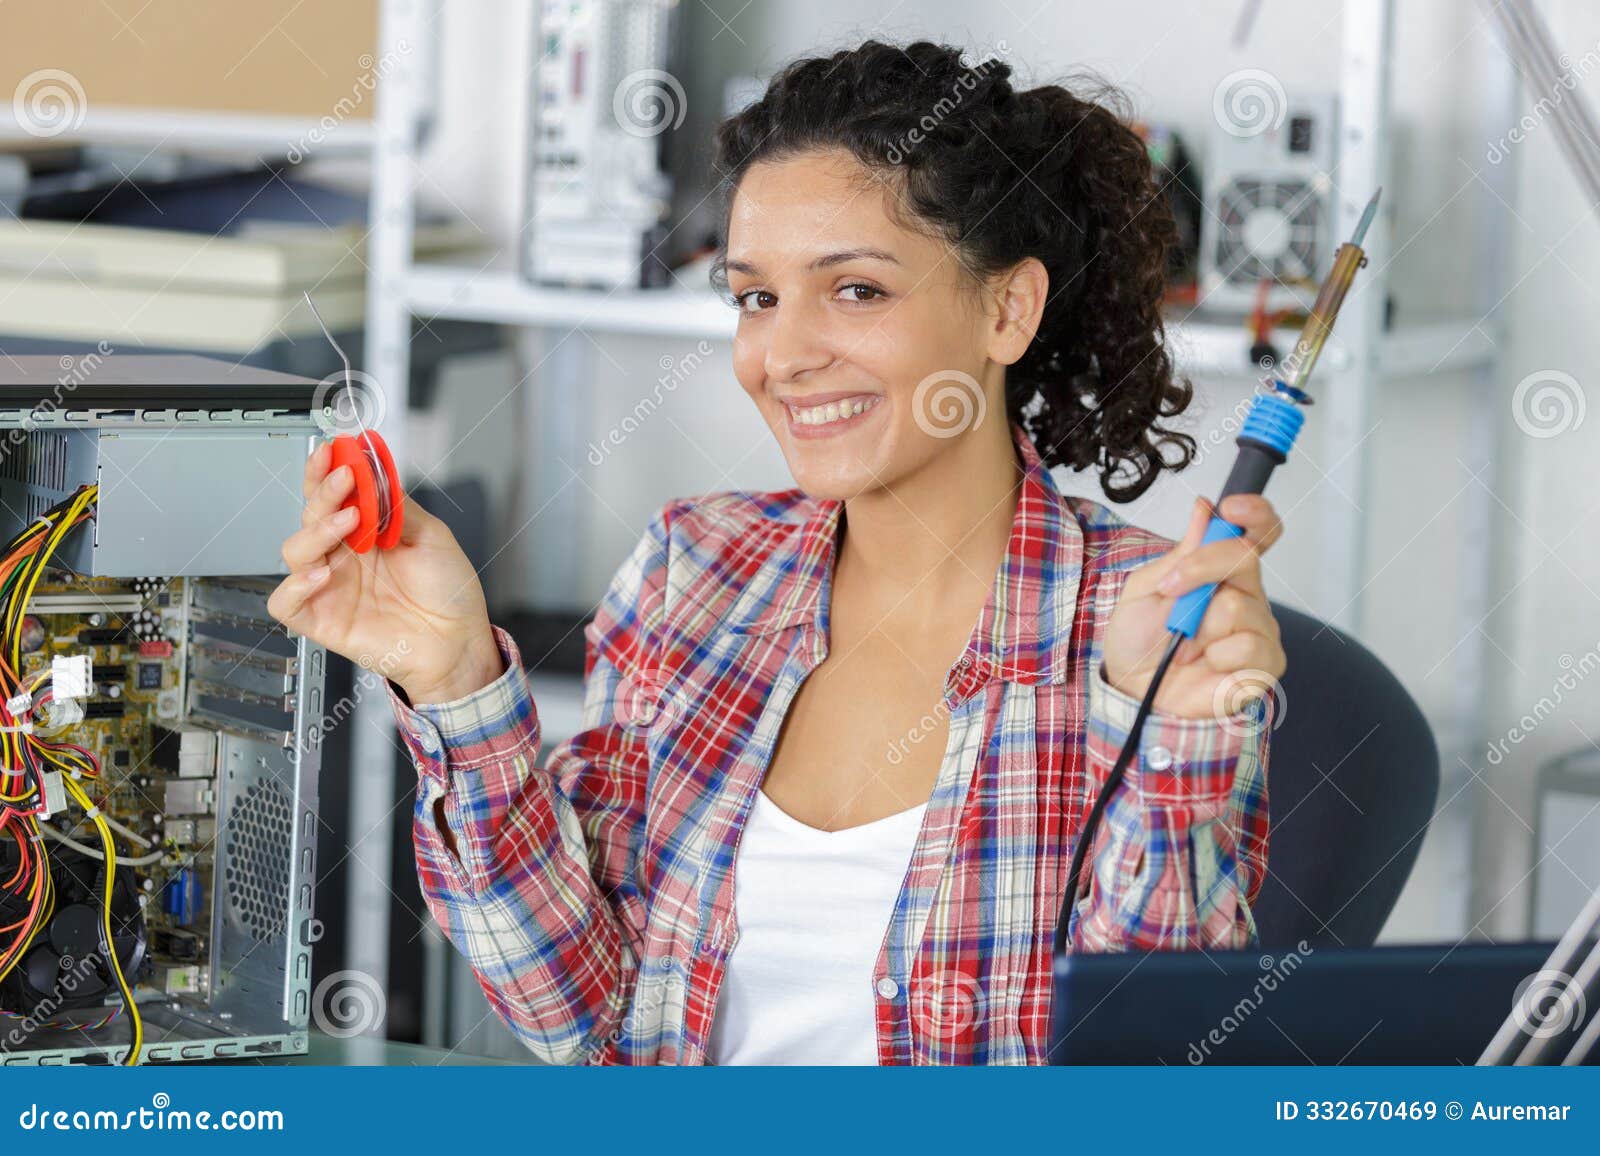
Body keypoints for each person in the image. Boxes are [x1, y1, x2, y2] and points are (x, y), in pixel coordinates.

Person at [268, 39, 1285, 1066]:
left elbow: (1148, 1073)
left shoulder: (1141, 623)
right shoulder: (692, 570)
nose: (784, 355)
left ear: (1005, 307)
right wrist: (456, 684)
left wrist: (1177, 745)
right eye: (756, 296)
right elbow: (582, 1020)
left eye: (854, 291)